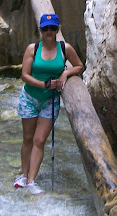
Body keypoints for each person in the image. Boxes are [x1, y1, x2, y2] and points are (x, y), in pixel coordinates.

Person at [14, 13, 84, 194]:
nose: (49, 32)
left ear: (57, 29)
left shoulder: (65, 48)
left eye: (53, 28)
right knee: (28, 138)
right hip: (29, 98)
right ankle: (23, 175)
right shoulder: (33, 49)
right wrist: (43, 84)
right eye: (46, 28)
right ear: (41, 30)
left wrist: (65, 73)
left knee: (39, 140)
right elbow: (24, 75)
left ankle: (31, 181)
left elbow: (79, 66)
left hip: (50, 101)